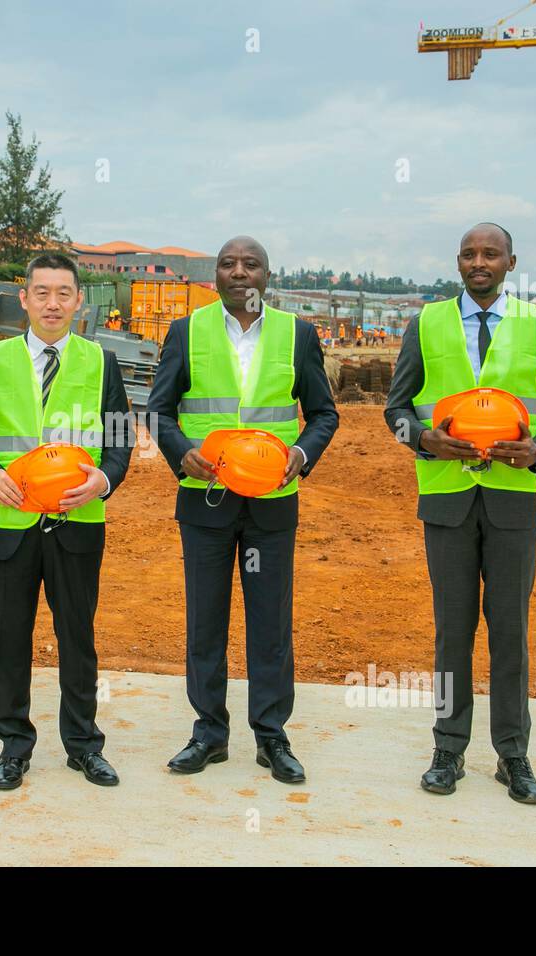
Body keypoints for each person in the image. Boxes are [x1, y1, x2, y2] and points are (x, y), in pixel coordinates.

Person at [383, 222, 536, 804]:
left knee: (511, 631)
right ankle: (448, 749)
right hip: (446, 499)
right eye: (469, 253)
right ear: (458, 263)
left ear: (510, 262)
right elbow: (395, 410)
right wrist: (423, 440)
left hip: (513, 501)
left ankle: (513, 755)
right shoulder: (426, 324)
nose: (478, 261)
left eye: (489, 253)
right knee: (452, 631)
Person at [148, 235, 339, 784]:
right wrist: (183, 454)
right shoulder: (187, 331)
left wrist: (300, 456)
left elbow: (324, 414)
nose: (239, 272)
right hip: (205, 502)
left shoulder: (298, 334)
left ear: (266, 276)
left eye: (250, 264)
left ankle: (271, 736)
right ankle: (208, 733)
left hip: (272, 506)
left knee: (271, 623)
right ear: (215, 276)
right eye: (228, 264)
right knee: (205, 620)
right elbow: (158, 410)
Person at [0, 253, 135, 791]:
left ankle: (83, 745)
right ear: (24, 298)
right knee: (11, 637)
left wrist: (103, 480)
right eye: (42, 292)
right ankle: (13, 746)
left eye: (63, 293)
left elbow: (120, 436)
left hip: (78, 523)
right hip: (10, 525)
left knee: (77, 635)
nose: (52, 303)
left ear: (79, 301)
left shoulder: (102, 363)